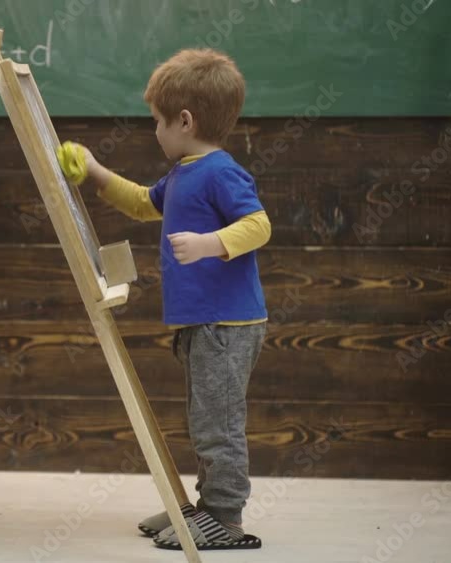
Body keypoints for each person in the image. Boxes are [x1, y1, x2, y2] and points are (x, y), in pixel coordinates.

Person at [57, 48, 270, 550]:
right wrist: (93, 170)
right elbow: (139, 202)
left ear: (185, 120)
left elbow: (258, 225)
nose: (154, 131)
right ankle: (204, 506)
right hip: (203, 325)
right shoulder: (181, 174)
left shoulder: (219, 172)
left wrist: (208, 245)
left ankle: (225, 518)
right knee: (204, 418)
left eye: (157, 122)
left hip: (227, 325)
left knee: (217, 423)